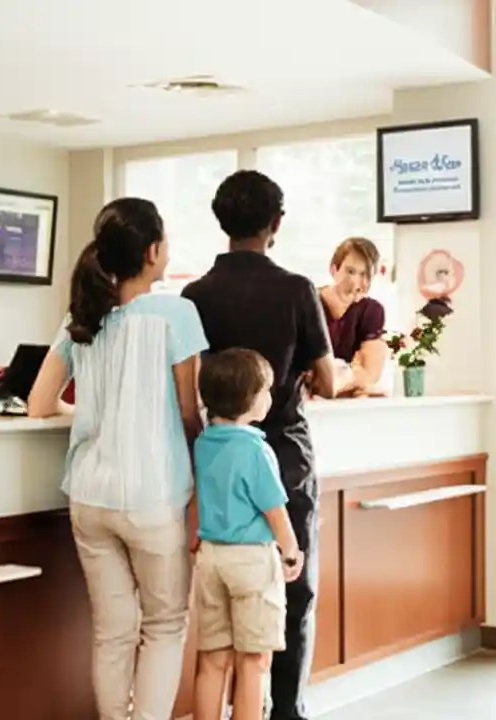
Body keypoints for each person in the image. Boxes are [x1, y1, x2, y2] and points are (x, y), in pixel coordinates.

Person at [26, 197, 207, 720]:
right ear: (153, 251)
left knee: (113, 631)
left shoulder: (83, 316)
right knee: (164, 625)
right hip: (154, 497)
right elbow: (189, 413)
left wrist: (93, 412)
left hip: (89, 495)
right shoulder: (176, 313)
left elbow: (39, 403)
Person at [181, 169, 338, 720]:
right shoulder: (297, 290)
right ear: (276, 223)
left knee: (218, 632)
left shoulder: (194, 295)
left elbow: (187, 382)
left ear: (222, 222)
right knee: (291, 594)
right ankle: (284, 710)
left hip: (216, 460)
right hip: (285, 457)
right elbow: (328, 380)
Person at [192, 348, 304, 720]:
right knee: (254, 661)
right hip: (251, 561)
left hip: (211, 557)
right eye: (266, 391)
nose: (270, 398)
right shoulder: (256, 449)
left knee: (213, 659)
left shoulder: (204, 443)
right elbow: (274, 510)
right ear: (248, 399)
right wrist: (291, 551)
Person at [317, 237, 389, 397]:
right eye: (350, 271)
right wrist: (352, 371)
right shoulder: (310, 303)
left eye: (364, 274)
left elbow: (369, 376)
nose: (356, 281)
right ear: (333, 269)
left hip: (349, 402)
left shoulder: (371, 310)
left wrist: (336, 378)